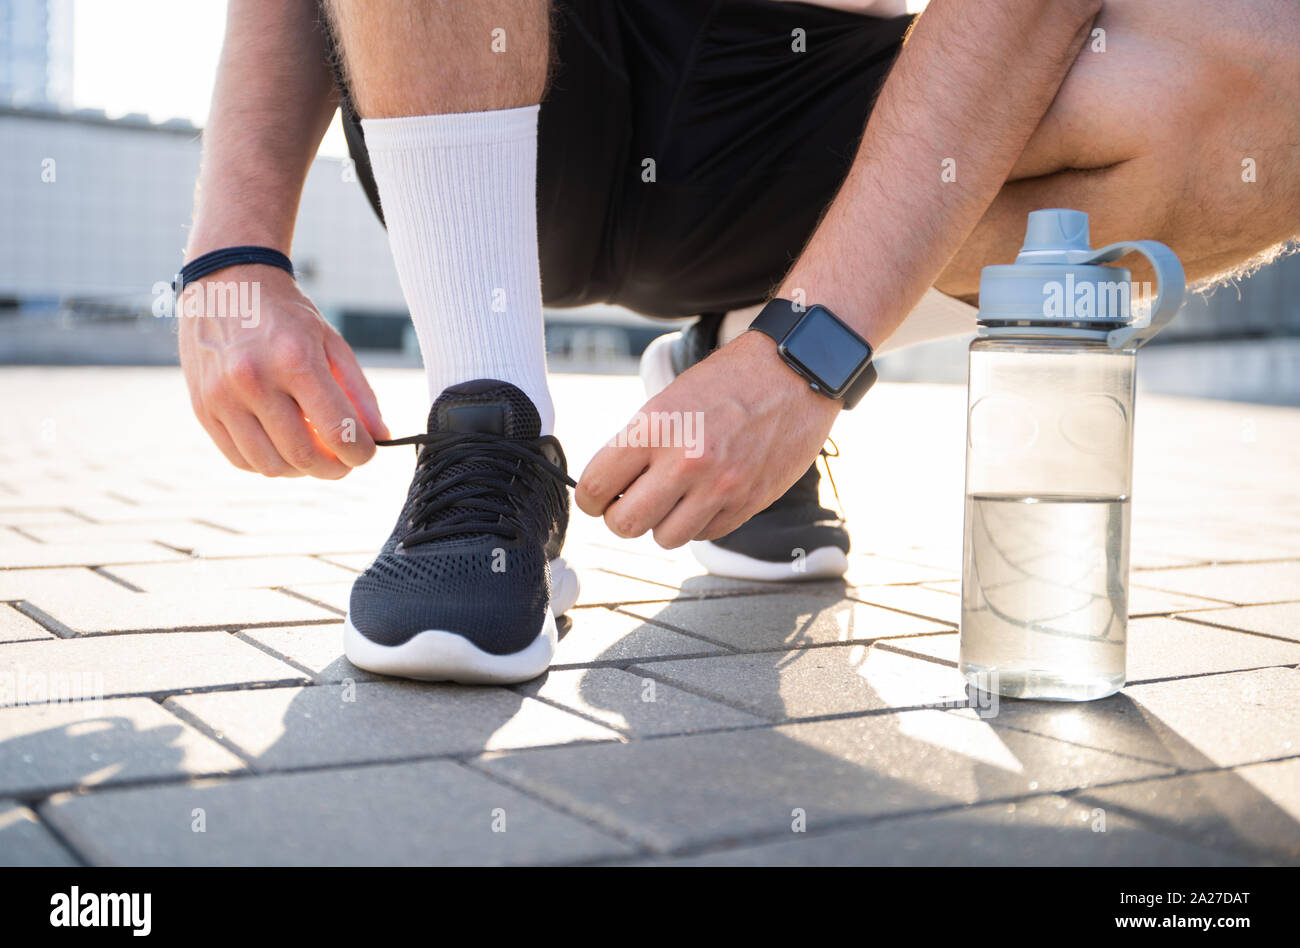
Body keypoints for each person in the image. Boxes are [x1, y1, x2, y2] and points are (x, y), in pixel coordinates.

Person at [177, 0, 1300, 683]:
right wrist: (233, 253)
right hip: (491, 81)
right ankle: (491, 436)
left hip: (825, 110)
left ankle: (743, 342)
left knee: (1273, 70)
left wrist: (806, 352)